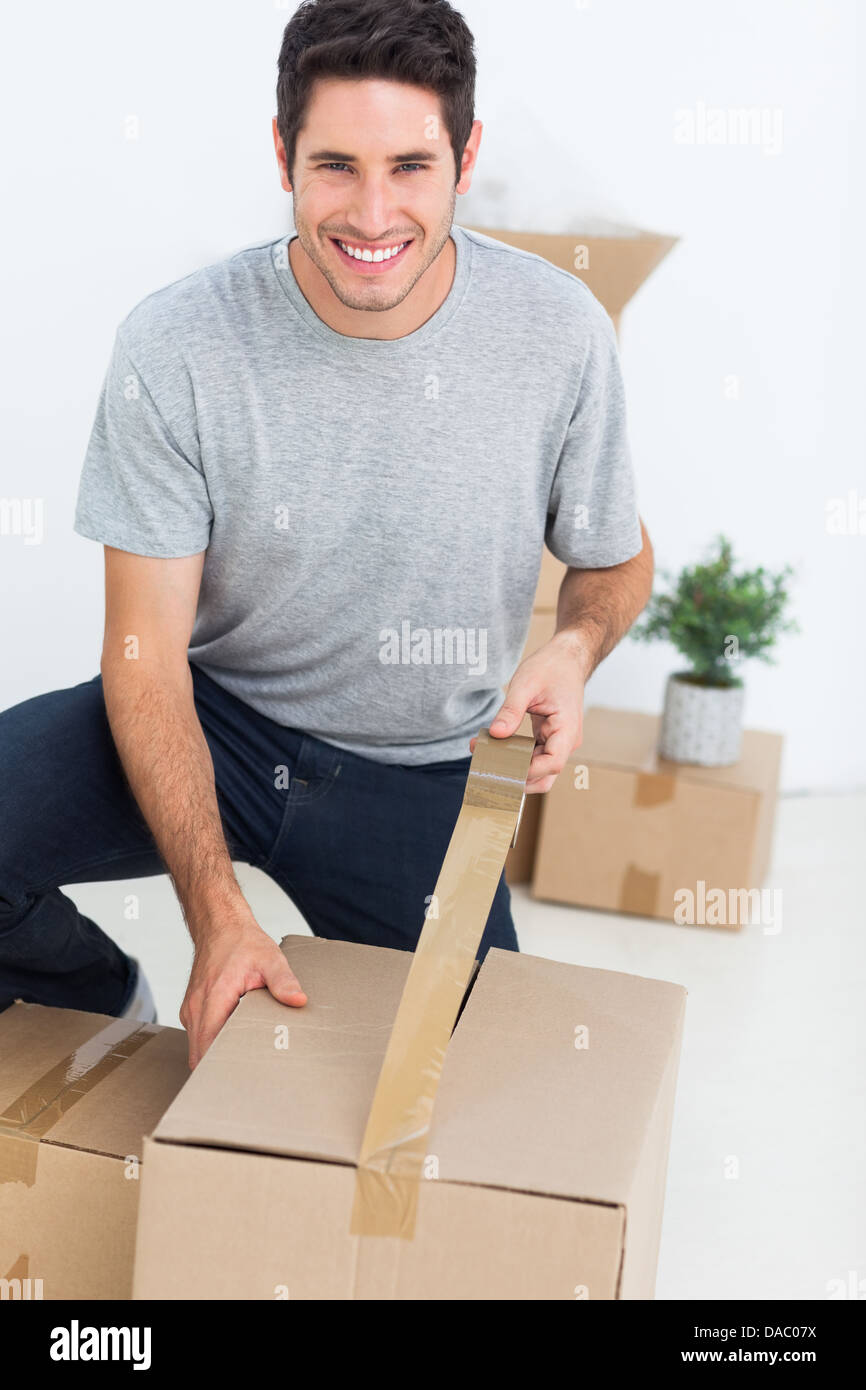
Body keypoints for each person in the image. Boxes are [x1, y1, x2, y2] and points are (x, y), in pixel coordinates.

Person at [0, 0, 653, 1068]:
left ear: (465, 157)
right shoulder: (178, 343)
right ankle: (99, 1000)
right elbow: (143, 655)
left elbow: (616, 553)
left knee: (477, 1078)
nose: (372, 212)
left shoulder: (555, 331)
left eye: (409, 165)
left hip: (420, 771)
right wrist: (213, 914)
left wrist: (574, 649)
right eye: (336, 165)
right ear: (281, 154)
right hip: (216, 719)